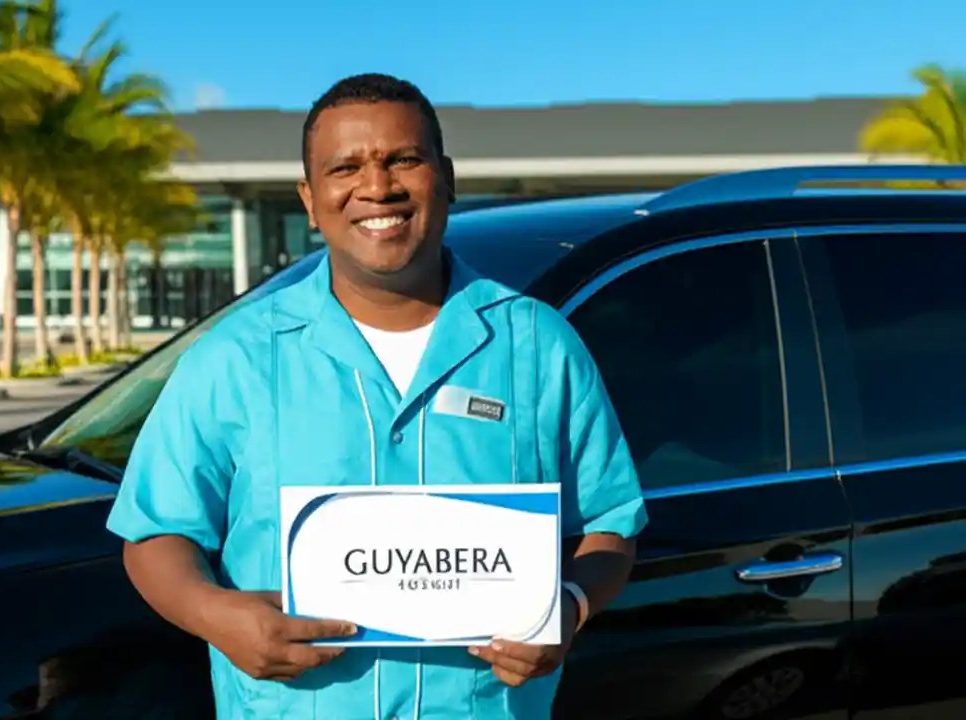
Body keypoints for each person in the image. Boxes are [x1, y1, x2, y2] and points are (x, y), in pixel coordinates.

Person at [107, 72, 647, 719]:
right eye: (346, 167)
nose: (378, 186)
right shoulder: (237, 357)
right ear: (310, 198)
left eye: (403, 160)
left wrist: (572, 606)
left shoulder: (538, 346)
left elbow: (609, 524)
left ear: (444, 177)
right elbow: (156, 530)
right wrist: (216, 615)